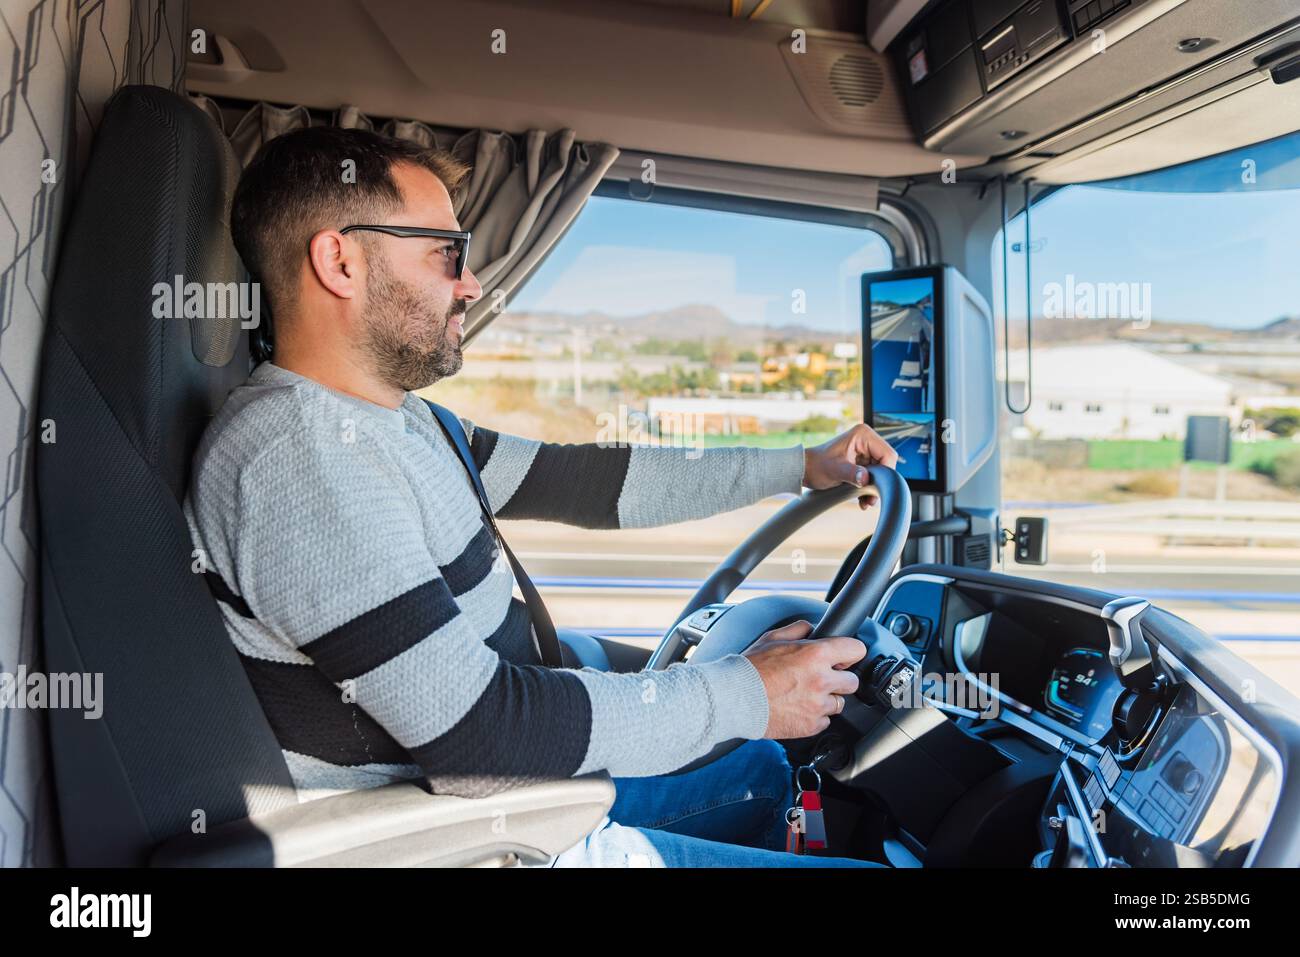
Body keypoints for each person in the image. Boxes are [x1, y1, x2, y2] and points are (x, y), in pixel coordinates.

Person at [184, 126, 898, 867]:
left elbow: (587, 480)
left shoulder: (398, 420)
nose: (471, 284)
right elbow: (478, 737)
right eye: (445, 253)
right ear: (340, 261)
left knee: (760, 773)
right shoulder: (300, 458)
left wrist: (802, 465)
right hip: (469, 835)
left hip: (521, 790)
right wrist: (745, 692)